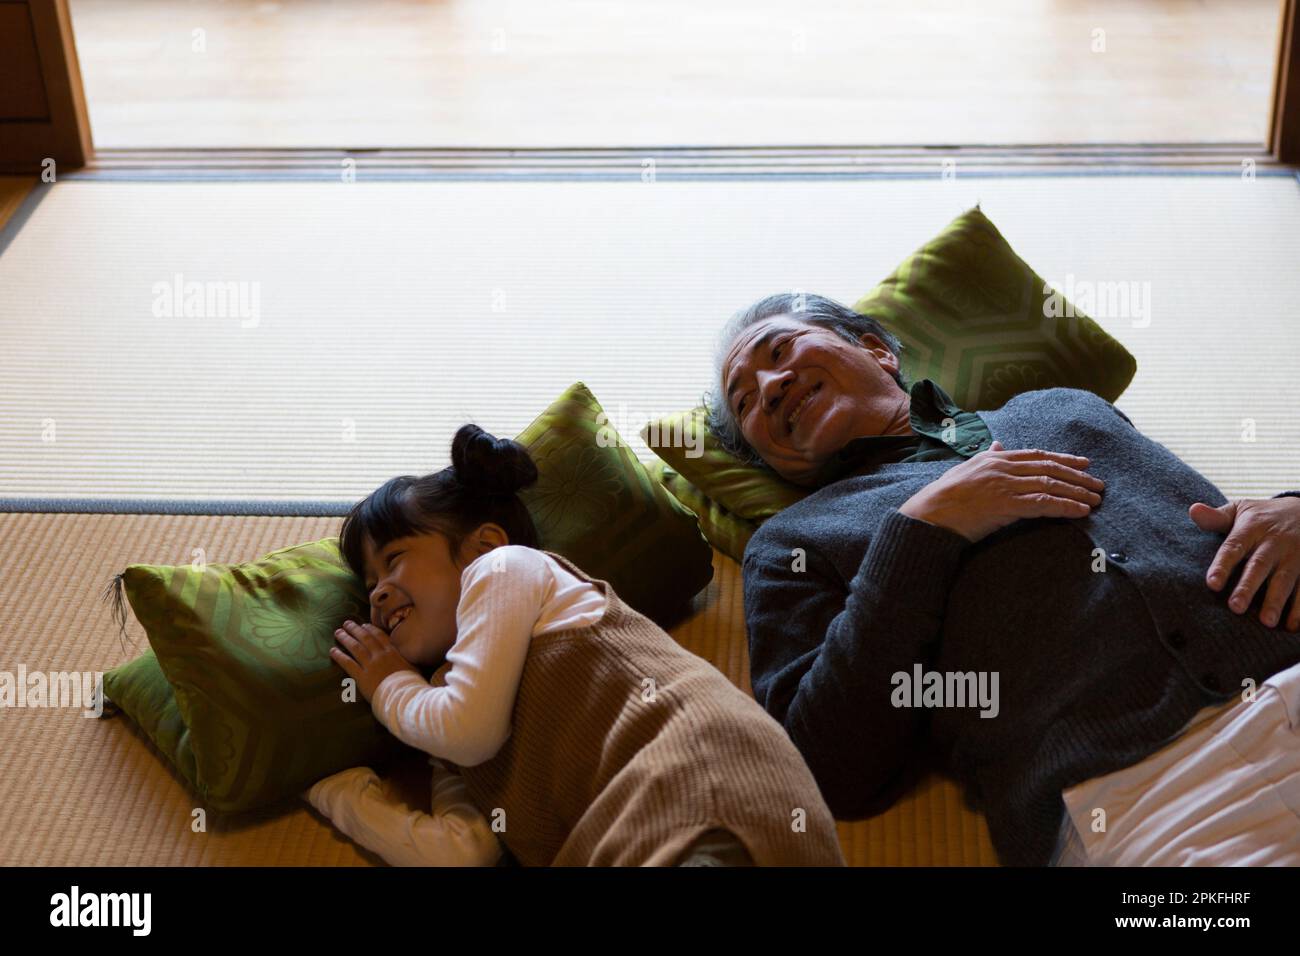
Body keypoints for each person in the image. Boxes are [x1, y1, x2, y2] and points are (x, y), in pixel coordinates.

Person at [707, 291, 1300, 866]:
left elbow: (1207, 518)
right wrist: (922, 529)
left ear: (876, 350)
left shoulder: (1063, 406)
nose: (770, 385)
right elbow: (828, 767)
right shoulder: (791, 545)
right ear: (772, 458)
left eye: (780, 351)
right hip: (1142, 800)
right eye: (745, 401)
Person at [302, 423, 846, 867]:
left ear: (480, 545)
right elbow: (459, 853)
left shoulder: (506, 570)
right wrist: (336, 793)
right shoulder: (441, 711)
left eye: (393, 560)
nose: (379, 593)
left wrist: (389, 687)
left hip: (702, 785)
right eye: (369, 582)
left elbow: (467, 730)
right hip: (626, 837)